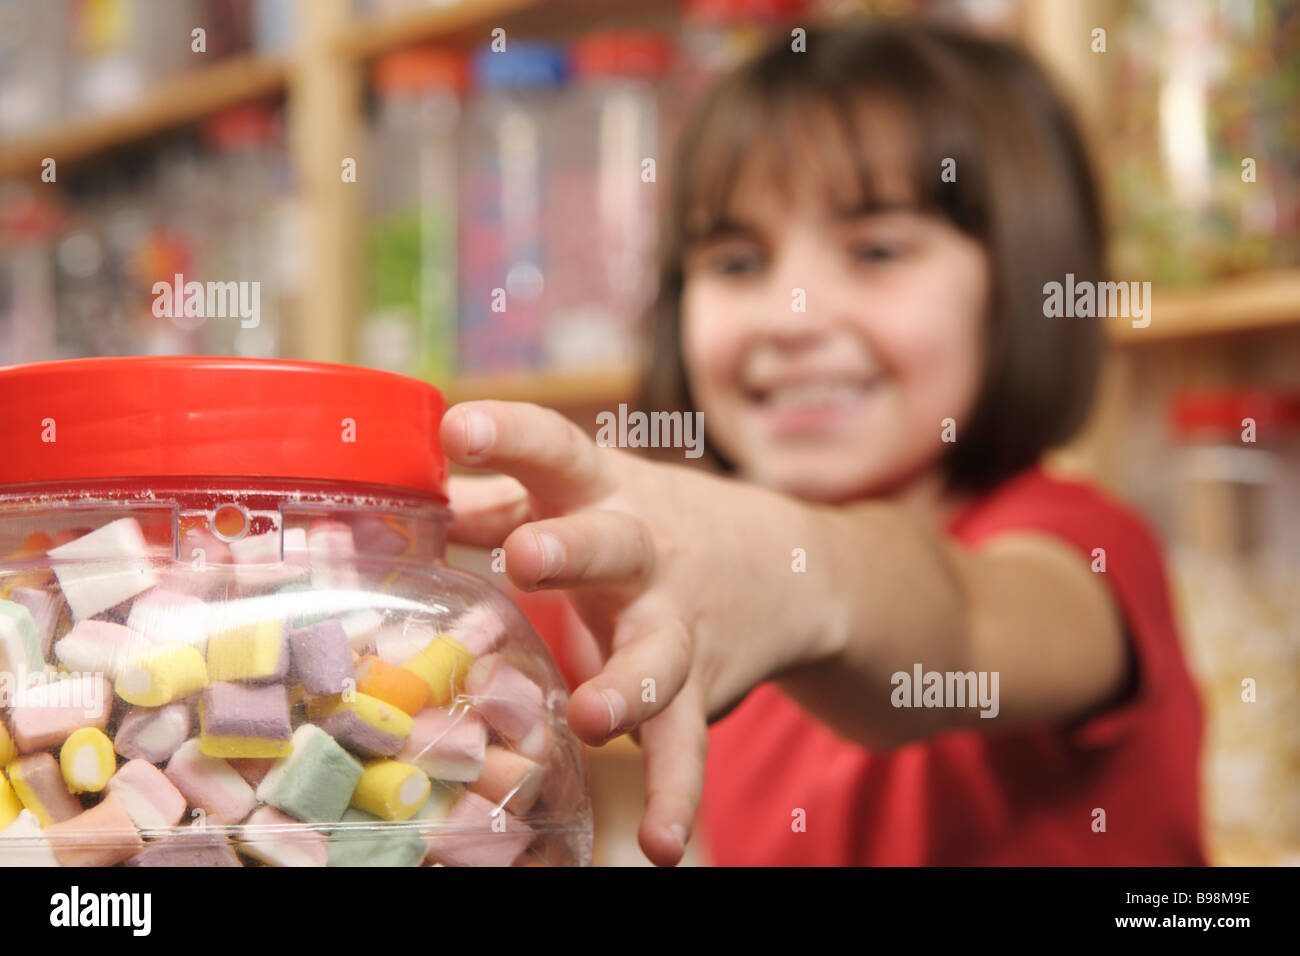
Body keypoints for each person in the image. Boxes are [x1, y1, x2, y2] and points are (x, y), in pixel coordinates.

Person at [440, 21, 1206, 866]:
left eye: (876, 249)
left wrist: (791, 567)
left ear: (1017, 287)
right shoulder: (690, 585)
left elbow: (959, 622)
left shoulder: (1085, 553)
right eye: (736, 263)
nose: (790, 317)